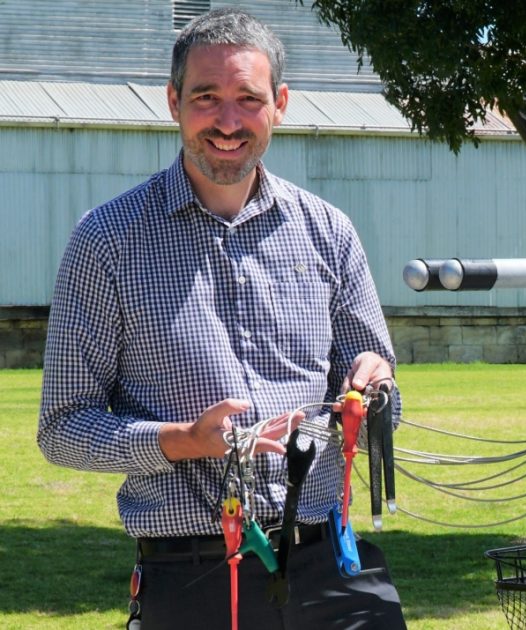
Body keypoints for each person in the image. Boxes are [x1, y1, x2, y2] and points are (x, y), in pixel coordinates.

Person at [37, 8, 407, 629]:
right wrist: (181, 441)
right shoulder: (108, 240)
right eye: (207, 97)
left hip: (331, 566)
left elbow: (383, 414)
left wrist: (375, 388)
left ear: (279, 105)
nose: (228, 122)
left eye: (248, 99)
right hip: (195, 579)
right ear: (174, 102)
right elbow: (63, 428)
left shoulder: (329, 232)